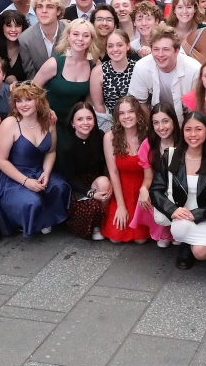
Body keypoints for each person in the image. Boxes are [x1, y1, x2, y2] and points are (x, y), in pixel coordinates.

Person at [0, 83, 69, 236]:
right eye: (18, 101)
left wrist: (46, 172)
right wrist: (26, 181)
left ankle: (46, 218)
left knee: (60, 186)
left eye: (28, 100)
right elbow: (1, 160)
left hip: (38, 169)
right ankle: (24, 221)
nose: (23, 105)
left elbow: (51, 151)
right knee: (30, 202)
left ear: (38, 101)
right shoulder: (10, 124)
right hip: (13, 175)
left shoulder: (48, 121)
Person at [32, 19, 94, 143]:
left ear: (91, 39)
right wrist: (46, 110)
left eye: (86, 35)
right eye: (76, 34)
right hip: (48, 120)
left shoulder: (94, 65)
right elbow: (33, 90)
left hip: (75, 125)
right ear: (68, 36)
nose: (80, 39)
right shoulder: (54, 63)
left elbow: (89, 99)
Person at [101, 96, 152, 244]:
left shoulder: (147, 136)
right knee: (115, 238)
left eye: (130, 111)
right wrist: (121, 206)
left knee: (141, 240)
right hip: (121, 188)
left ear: (138, 114)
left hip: (142, 188)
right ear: (117, 117)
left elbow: (150, 171)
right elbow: (113, 172)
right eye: (122, 113)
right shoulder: (109, 137)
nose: (127, 116)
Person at [58, 103, 109, 240]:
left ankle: (101, 223)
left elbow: (105, 166)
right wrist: (91, 193)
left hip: (97, 181)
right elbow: (69, 178)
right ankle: (83, 223)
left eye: (89, 118)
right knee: (91, 207)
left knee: (104, 183)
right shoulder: (66, 144)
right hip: (76, 187)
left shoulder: (100, 136)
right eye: (80, 119)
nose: (85, 123)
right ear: (72, 123)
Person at [129, 24, 202, 116]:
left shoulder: (194, 70)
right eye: (156, 49)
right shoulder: (141, 67)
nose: (160, 54)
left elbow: (197, 109)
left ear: (177, 51)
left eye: (166, 49)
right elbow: (139, 103)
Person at [90, 29, 137, 126]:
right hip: (110, 122)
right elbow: (99, 105)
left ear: (127, 46)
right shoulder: (98, 72)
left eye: (120, 45)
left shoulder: (138, 68)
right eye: (110, 46)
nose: (115, 49)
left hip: (136, 120)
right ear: (106, 49)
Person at [18, 0, 67, 78]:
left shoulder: (70, 32)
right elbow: (30, 74)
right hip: (40, 88)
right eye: (40, 7)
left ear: (58, 11)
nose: (44, 11)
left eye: (50, 7)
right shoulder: (25, 38)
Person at [0, 9, 31, 82]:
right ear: (2, 27)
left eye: (17, 26)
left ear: (23, 28)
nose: (13, 30)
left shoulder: (28, 47)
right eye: (9, 26)